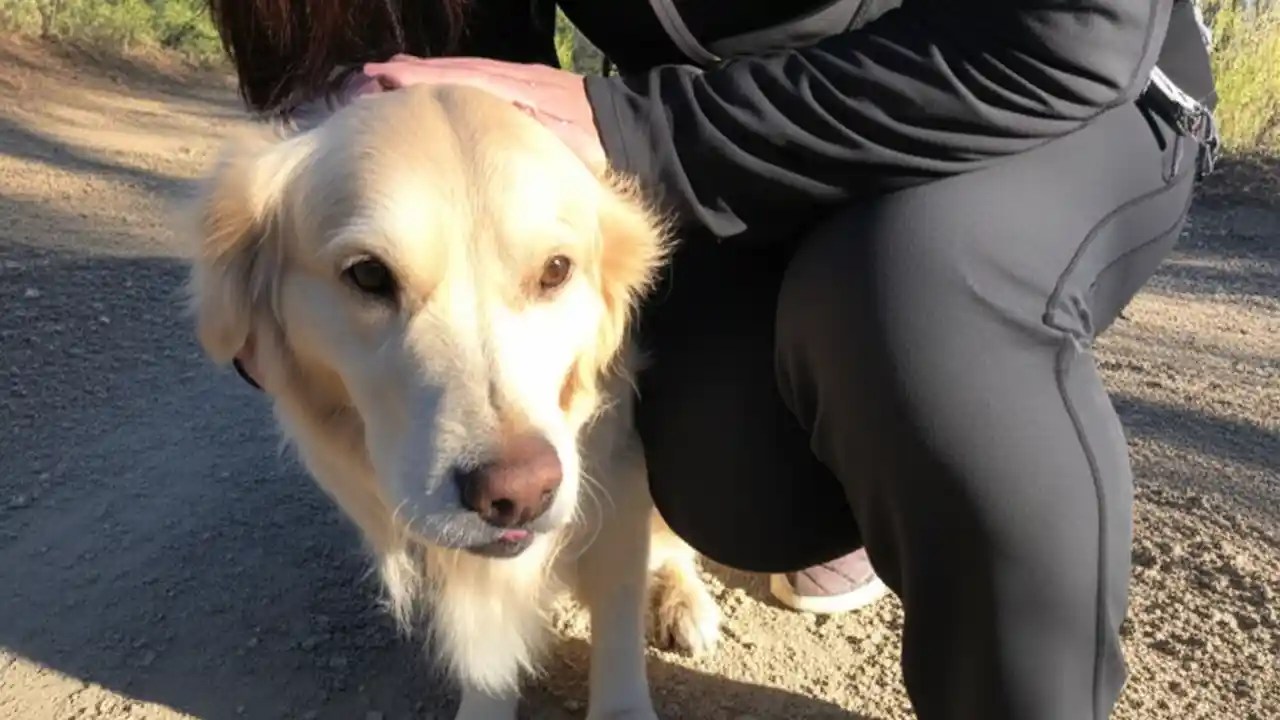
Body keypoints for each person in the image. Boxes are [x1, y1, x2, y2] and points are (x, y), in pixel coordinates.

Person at [208, 0, 1219, 717]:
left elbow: (1072, 33)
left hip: (1050, 83)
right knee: (713, 459)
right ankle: (847, 467)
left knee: (903, 298)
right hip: (758, 130)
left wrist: (638, 129)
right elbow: (469, 67)